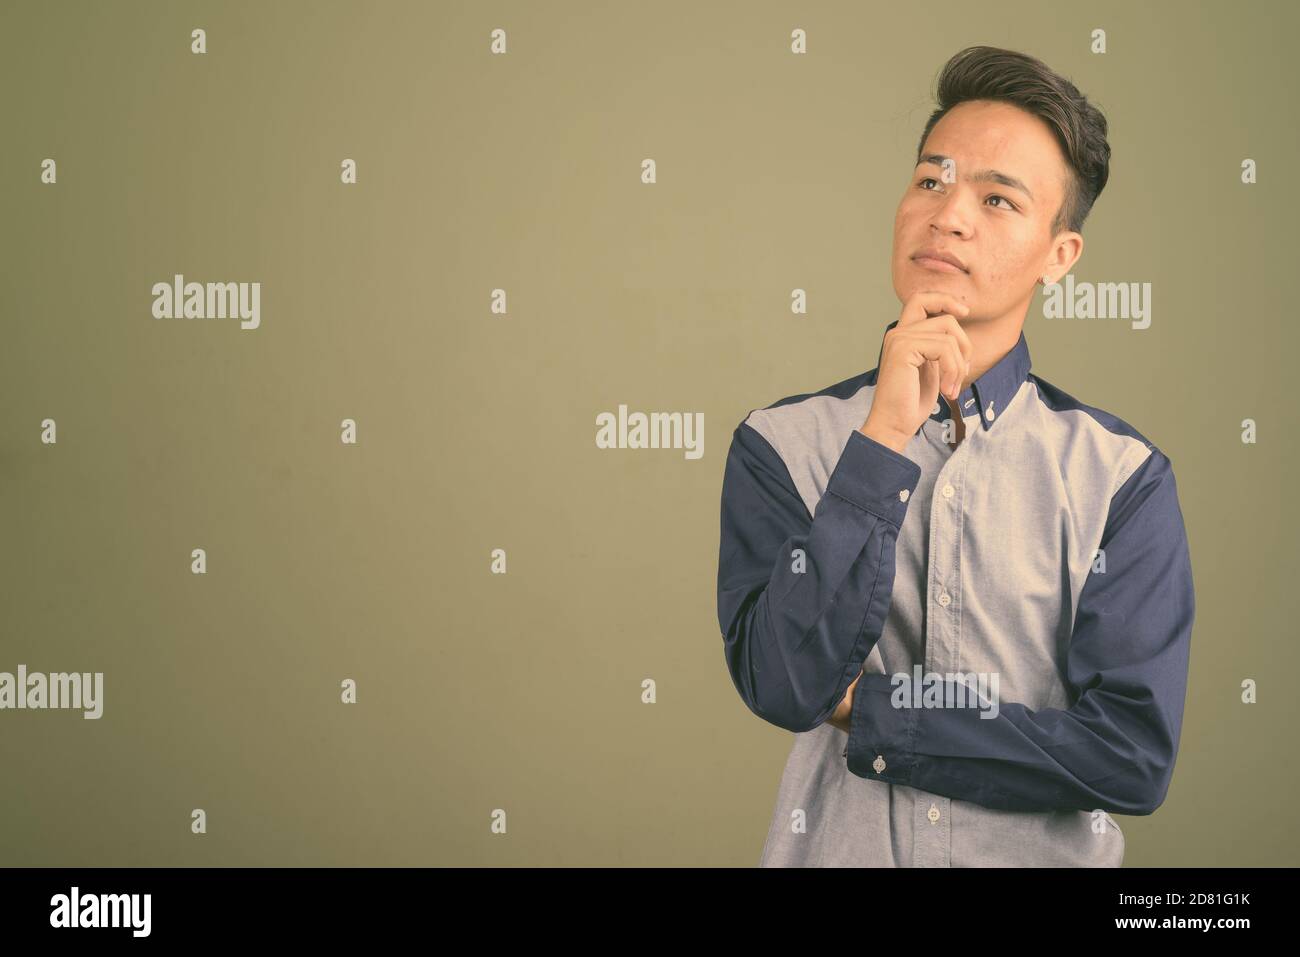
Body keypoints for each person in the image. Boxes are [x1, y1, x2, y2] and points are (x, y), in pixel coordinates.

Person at [715, 45, 1194, 867]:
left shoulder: (1122, 478)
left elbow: (1130, 756)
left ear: (1060, 256)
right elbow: (785, 684)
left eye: (998, 199)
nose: (949, 215)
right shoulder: (781, 444)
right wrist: (882, 440)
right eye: (931, 180)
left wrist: (877, 712)